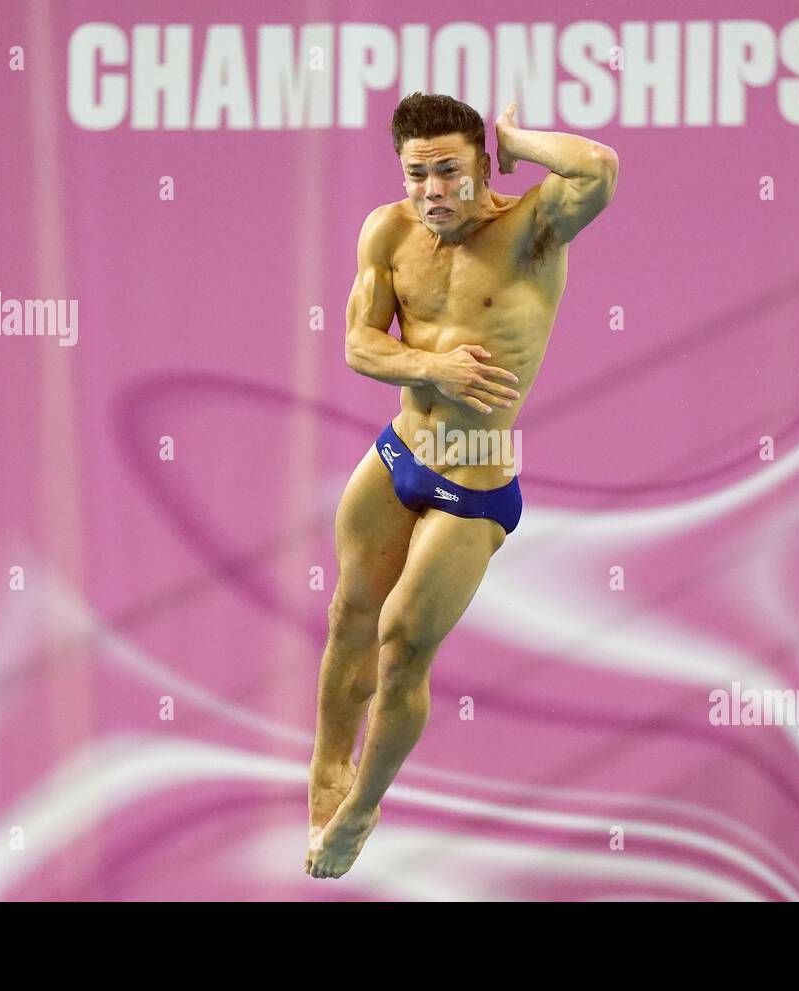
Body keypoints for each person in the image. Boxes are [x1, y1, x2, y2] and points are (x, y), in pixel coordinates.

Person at [305, 92, 618, 878]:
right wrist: (428, 364)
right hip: (397, 455)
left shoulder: (532, 230)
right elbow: (358, 343)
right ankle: (323, 772)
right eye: (418, 174)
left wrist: (520, 137)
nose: (432, 191)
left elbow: (601, 169)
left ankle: (364, 804)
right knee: (348, 615)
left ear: (483, 164)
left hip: (475, 483)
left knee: (403, 642)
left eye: (449, 170)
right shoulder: (390, 230)